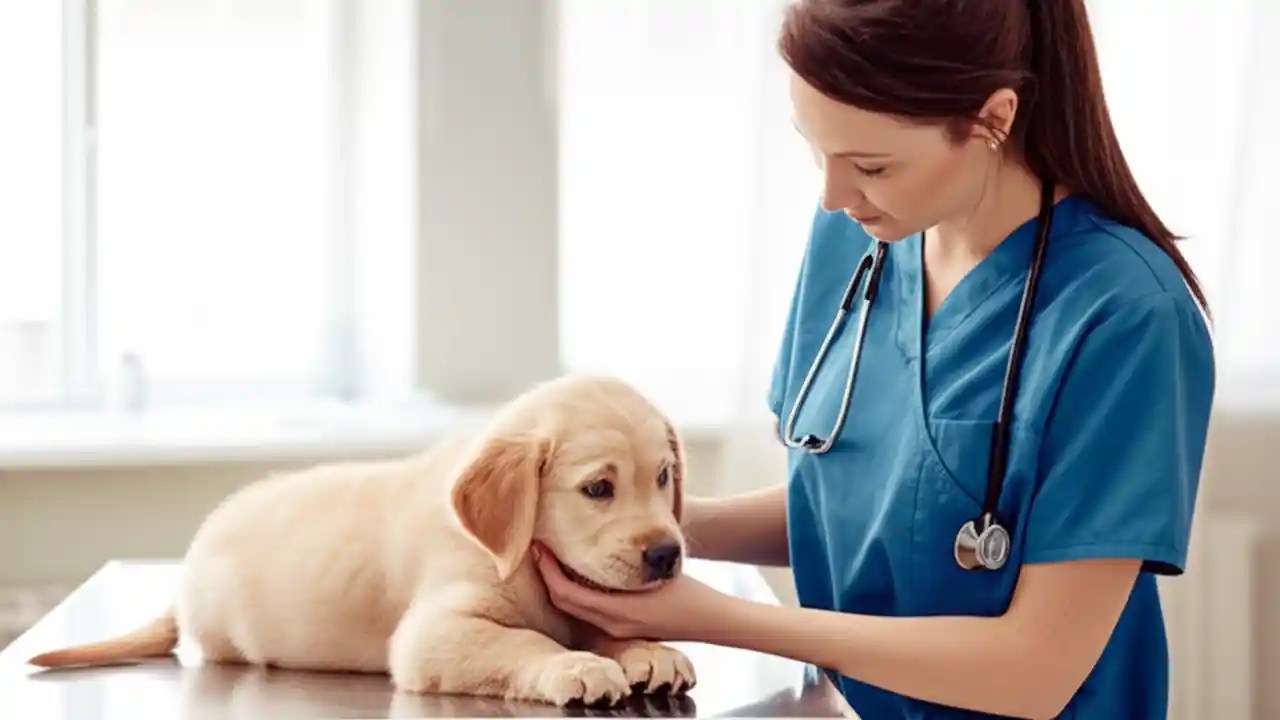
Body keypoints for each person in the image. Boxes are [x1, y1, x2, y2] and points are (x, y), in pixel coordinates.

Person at [532, 0, 1216, 717]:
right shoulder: (859, 238)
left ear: (994, 117)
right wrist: (634, 532)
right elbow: (859, 506)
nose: (832, 195)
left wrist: (714, 618)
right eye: (814, 150)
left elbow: (1037, 669)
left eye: (871, 164)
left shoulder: (1125, 316)